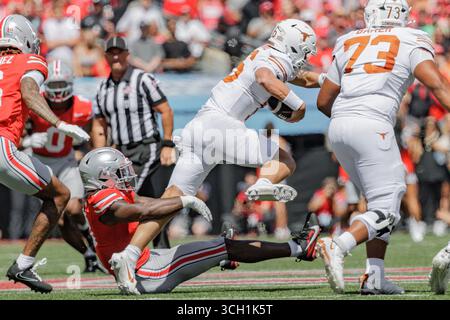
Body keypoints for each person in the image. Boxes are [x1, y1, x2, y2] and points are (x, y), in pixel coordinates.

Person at [110, 19, 325, 294]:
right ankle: (264, 185)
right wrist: (299, 107)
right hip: (222, 126)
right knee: (285, 160)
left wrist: (325, 80)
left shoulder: (267, 54)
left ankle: (128, 255)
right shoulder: (275, 60)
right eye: (304, 50)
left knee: (171, 201)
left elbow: (300, 76)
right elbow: (265, 78)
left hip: (200, 126)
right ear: (294, 45)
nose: (305, 57)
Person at [316, 0, 450, 295]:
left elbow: (323, 100)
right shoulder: (411, 38)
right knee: (389, 208)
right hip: (372, 123)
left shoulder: (348, 39)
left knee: (378, 205)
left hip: (339, 126)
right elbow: (436, 84)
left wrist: (348, 120)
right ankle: (338, 244)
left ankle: (373, 277)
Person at [79, 147, 321, 294]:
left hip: (147, 262)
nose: (126, 176)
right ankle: (300, 248)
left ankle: (224, 258)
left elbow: (143, 203)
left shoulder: (106, 194)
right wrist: (184, 201)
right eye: (119, 173)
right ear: (102, 178)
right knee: (225, 247)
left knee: (221, 247)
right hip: (148, 274)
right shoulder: (101, 197)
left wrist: (180, 200)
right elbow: (139, 211)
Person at [0, 14, 90, 293]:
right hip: (1, 143)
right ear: (26, 41)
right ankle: (23, 265)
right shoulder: (31, 61)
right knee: (61, 195)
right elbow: (29, 91)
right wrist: (60, 123)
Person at [91, 36, 175, 249]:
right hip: (121, 153)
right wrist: (100, 155)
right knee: (148, 199)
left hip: (146, 147)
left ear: (128, 54)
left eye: (120, 52)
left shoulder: (142, 79)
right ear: (106, 56)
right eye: (112, 52)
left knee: (127, 195)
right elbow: (100, 125)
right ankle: (162, 250)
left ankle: (129, 249)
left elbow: (165, 110)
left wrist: (167, 143)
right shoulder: (103, 88)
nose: (116, 56)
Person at [27, 60, 104, 273]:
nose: (58, 90)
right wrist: (27, 141)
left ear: (70, 83)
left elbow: (94, 130)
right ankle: (88, 254)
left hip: (67, 161)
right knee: (59, 220)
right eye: (53, 85)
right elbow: (15, 135)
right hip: (40, 163)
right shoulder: (35, 104)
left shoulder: (82, 107)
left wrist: (95, 154)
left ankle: (96, 246)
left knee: (74, 208)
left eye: (62, 84)